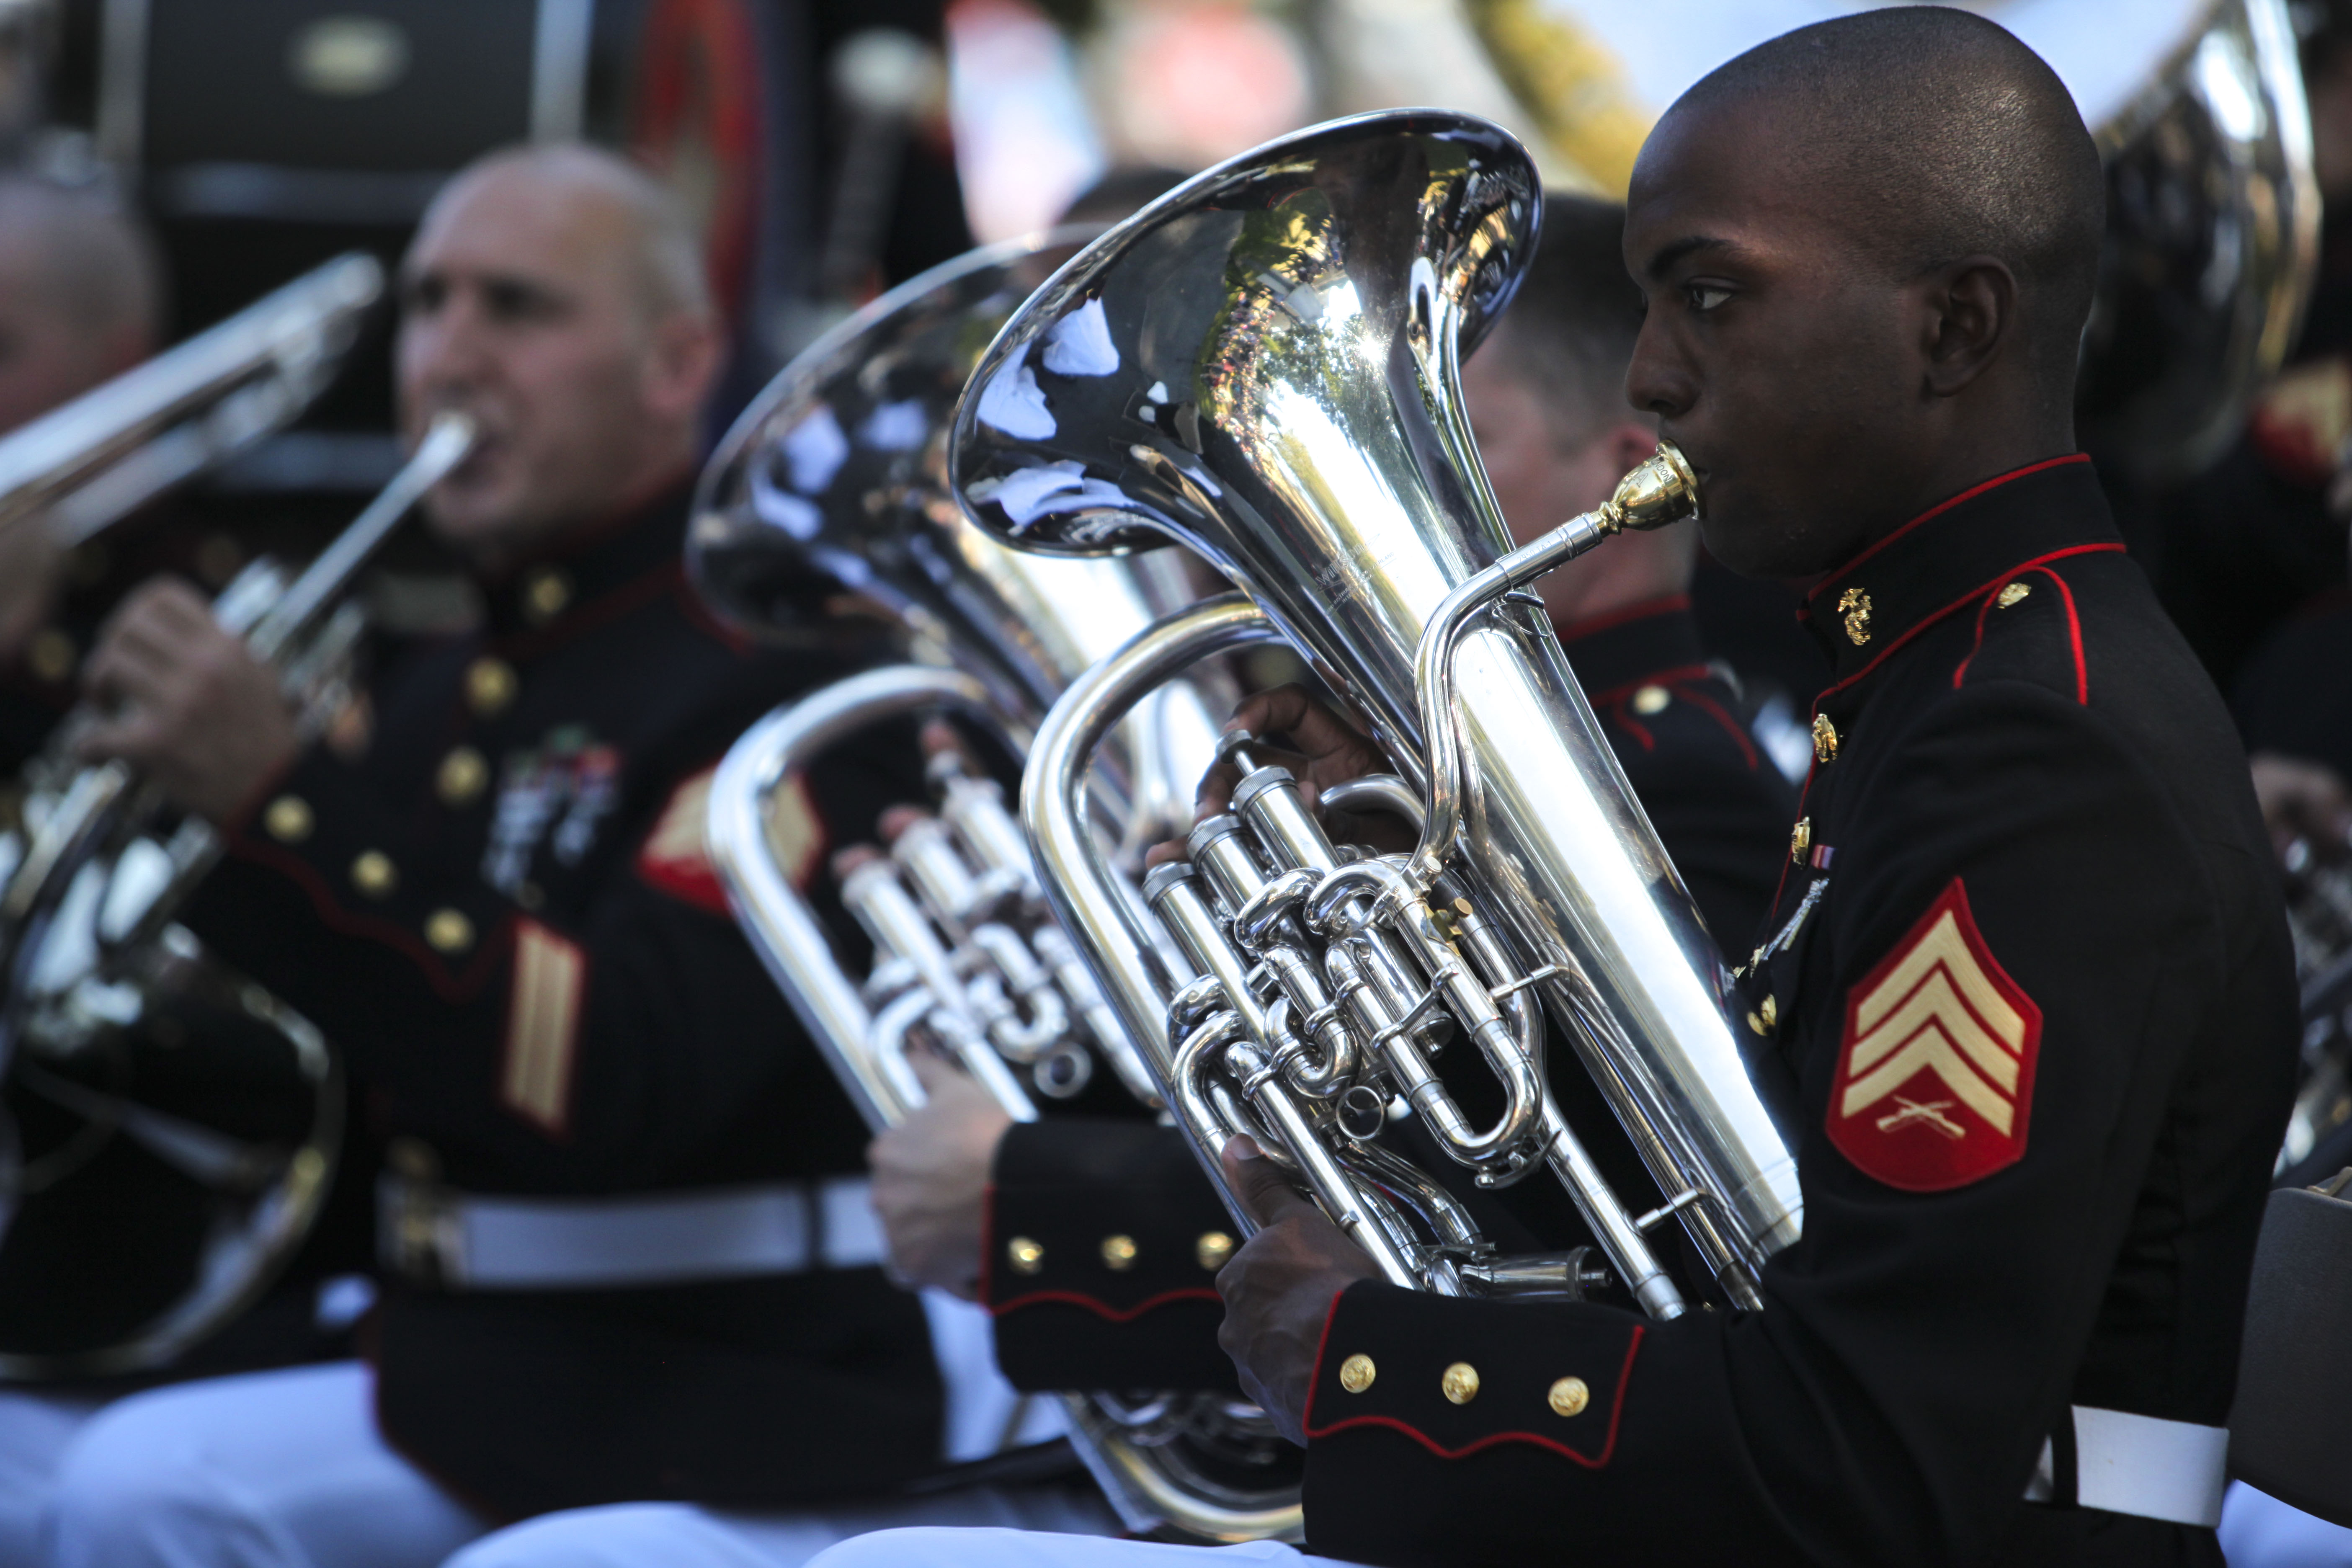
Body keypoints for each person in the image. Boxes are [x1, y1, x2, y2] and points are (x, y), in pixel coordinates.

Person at [803, 9, 2298, 1566]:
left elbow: (1875, 1446)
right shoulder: (1947, 684)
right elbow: (1752, 1254)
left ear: (1953, 328)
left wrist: (1362, 1358)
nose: (1655, 375)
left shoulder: (2031, 740)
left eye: (1714, 299)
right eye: (1657, 307)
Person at [35, 142, 1111, 1568]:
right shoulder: (443, 679)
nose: (450, 355)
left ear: (676, 367)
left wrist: (276, 804)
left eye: (518, 309)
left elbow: (613, 1073)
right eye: (428, 305)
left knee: (140, 1491)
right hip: (461, 1343)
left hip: (708, 1371)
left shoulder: (777, 674)